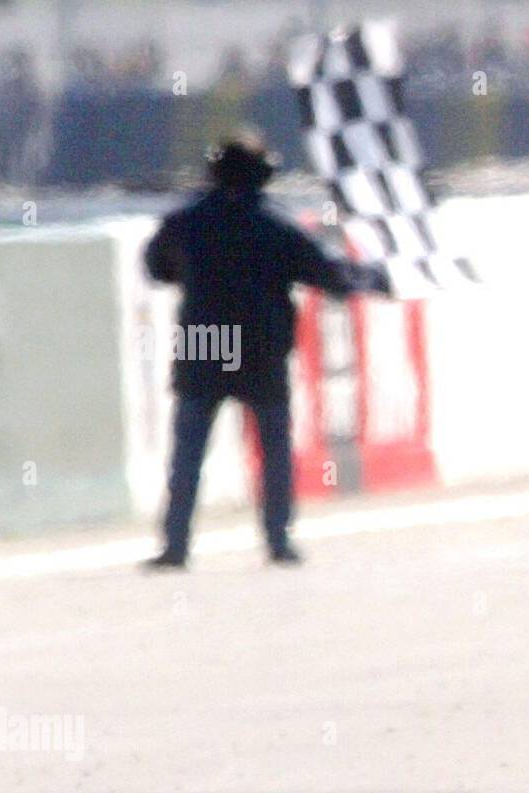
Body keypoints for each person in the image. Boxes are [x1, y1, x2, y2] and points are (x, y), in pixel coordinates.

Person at [143, 130, 389, 568]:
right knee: (273, 449)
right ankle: (278, 540)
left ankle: (176, 544)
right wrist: (378, 275)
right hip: (260, 342)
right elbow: (326, 273)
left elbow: (157, 267)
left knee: (190, 451)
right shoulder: (274, 225)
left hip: (207, 339)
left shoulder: (187, 221)